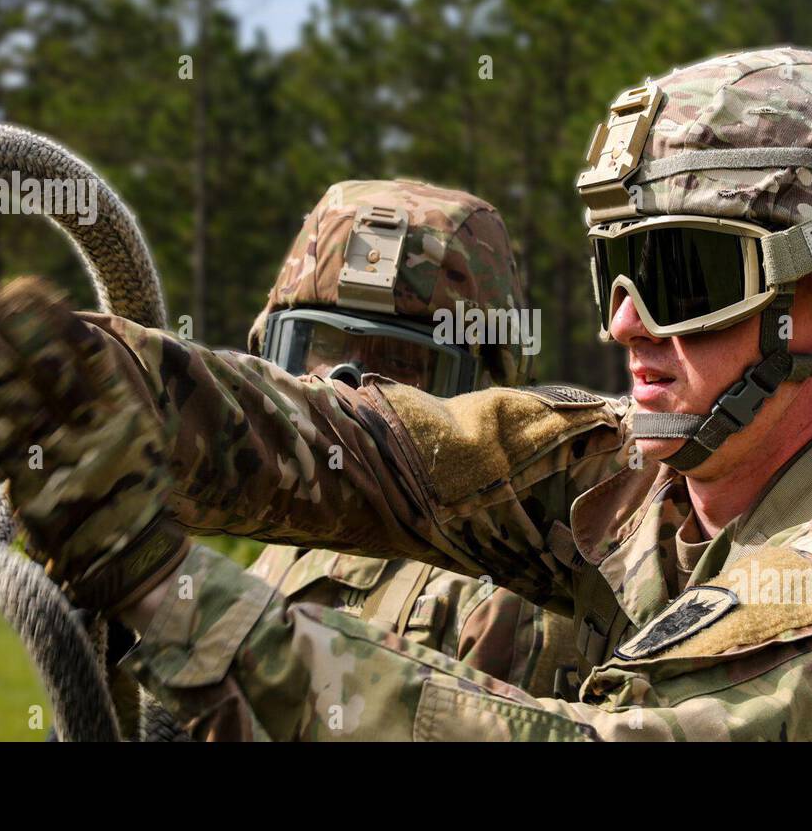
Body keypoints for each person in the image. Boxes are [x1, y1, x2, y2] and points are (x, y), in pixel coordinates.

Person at [0, 46, 812, 740]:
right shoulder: (642, 478)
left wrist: (166, 590)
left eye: (678, 272)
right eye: (613, 270)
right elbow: (353, 441)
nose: (621, 321)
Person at [242, 179, 578, 716]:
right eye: (320, 349)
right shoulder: (285, 543)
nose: (344, 393)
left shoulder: (509, 600)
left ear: (487, 397)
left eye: (398, 366)